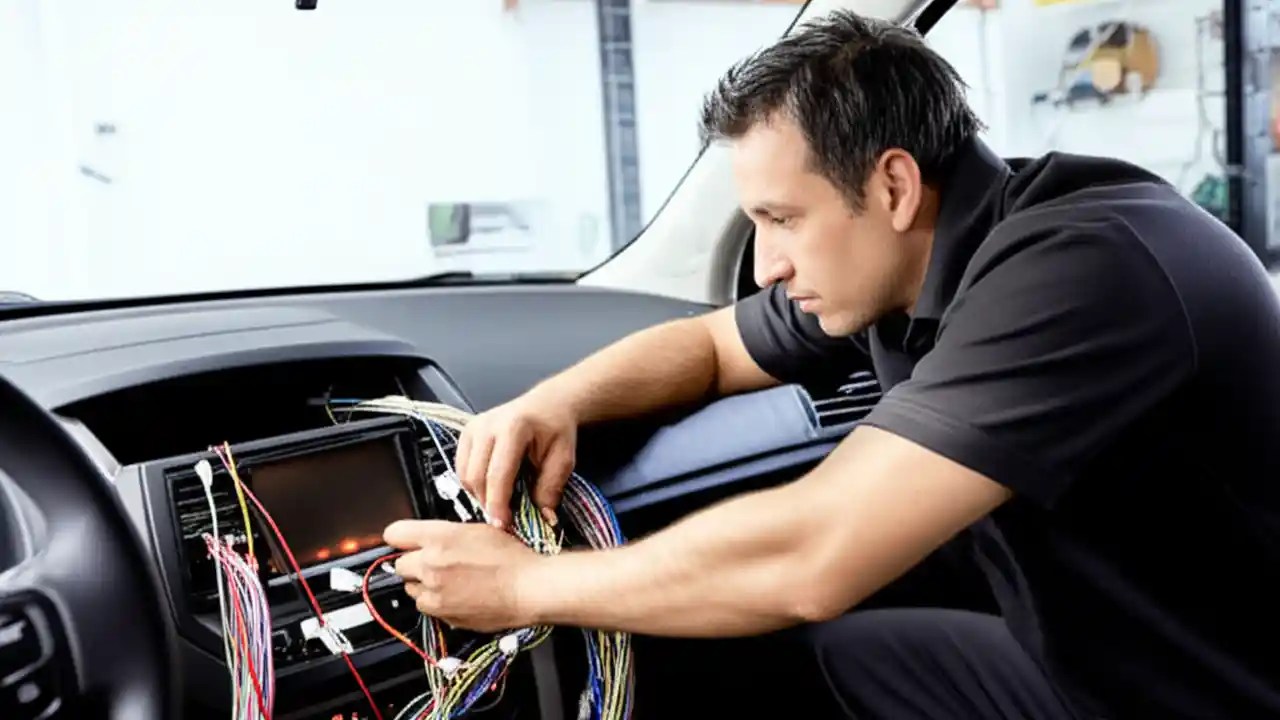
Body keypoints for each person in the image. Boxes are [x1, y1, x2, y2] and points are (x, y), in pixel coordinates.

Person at [383, 9, 1280, 719]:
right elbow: (712, 347)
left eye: (781, 219)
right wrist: (556, 400)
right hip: (1085, 660)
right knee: (795, 669)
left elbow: (813, 556)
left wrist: (524, 586)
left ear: (893, 186)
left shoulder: (1086, 269)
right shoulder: (911, 255)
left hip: (1204, 693)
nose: (766, 266)